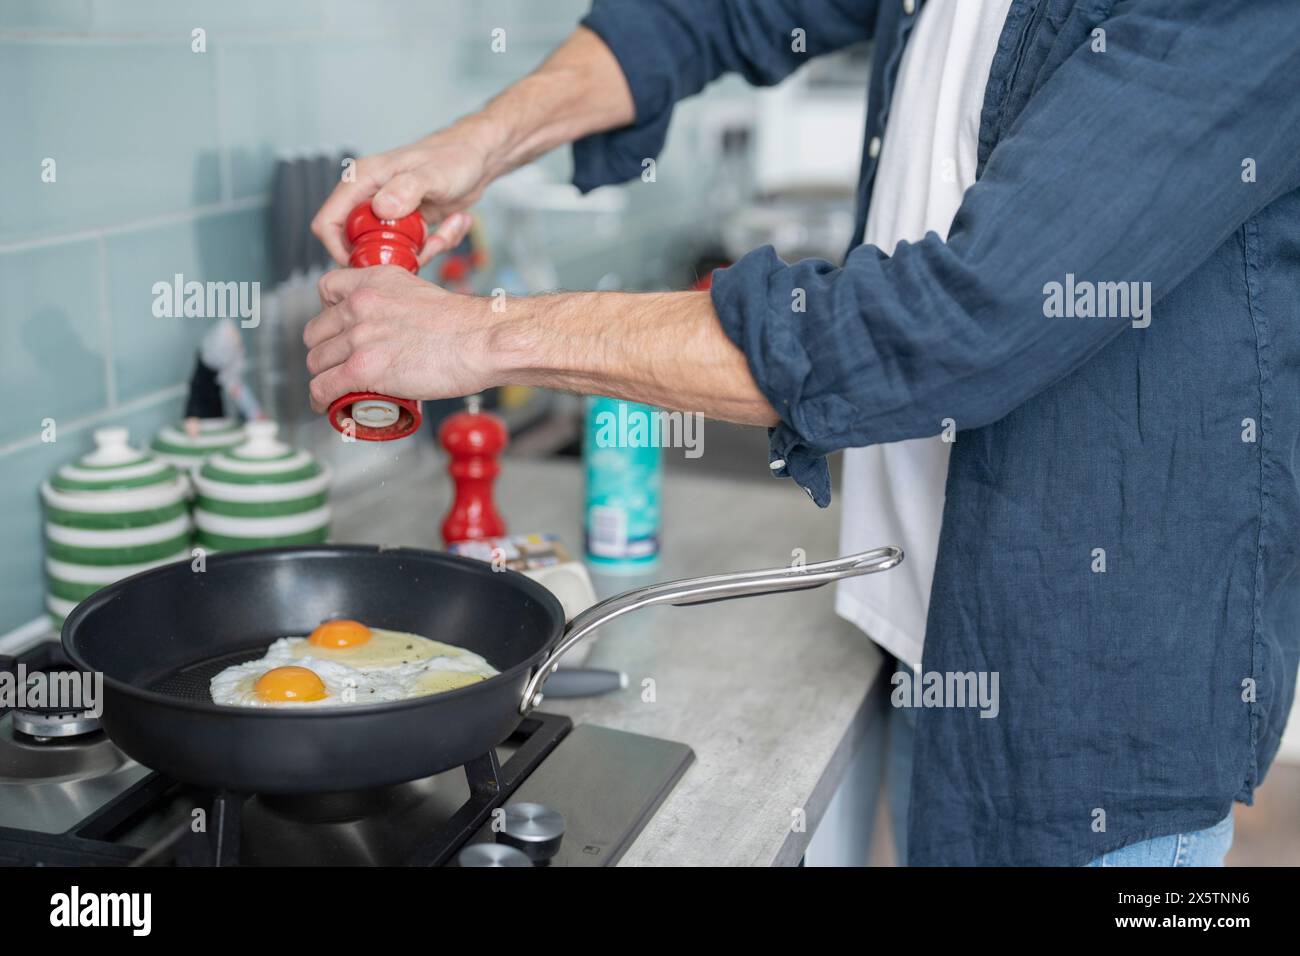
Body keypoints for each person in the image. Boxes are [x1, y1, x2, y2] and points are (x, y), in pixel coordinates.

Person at [308, 0, 1300, 866]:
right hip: (927, 624)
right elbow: (711, 10)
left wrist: (480, 335)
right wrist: (477, 143)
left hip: (1087, 695)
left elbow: (950, 328)